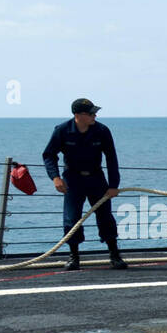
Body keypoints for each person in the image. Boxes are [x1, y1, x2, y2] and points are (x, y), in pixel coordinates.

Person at [41, 98, 127, 270]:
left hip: (96, 178)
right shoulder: (62, 130)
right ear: (78, 115)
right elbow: (49, 155)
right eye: (91, 113)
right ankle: (74, 257)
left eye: (95, 112)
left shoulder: (102, 130)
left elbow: (111, 159)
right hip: (73, 180)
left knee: (105, 217)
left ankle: (114, 255)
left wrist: (113, 185)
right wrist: (55, 178)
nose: (95, 115)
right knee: (71, 218)